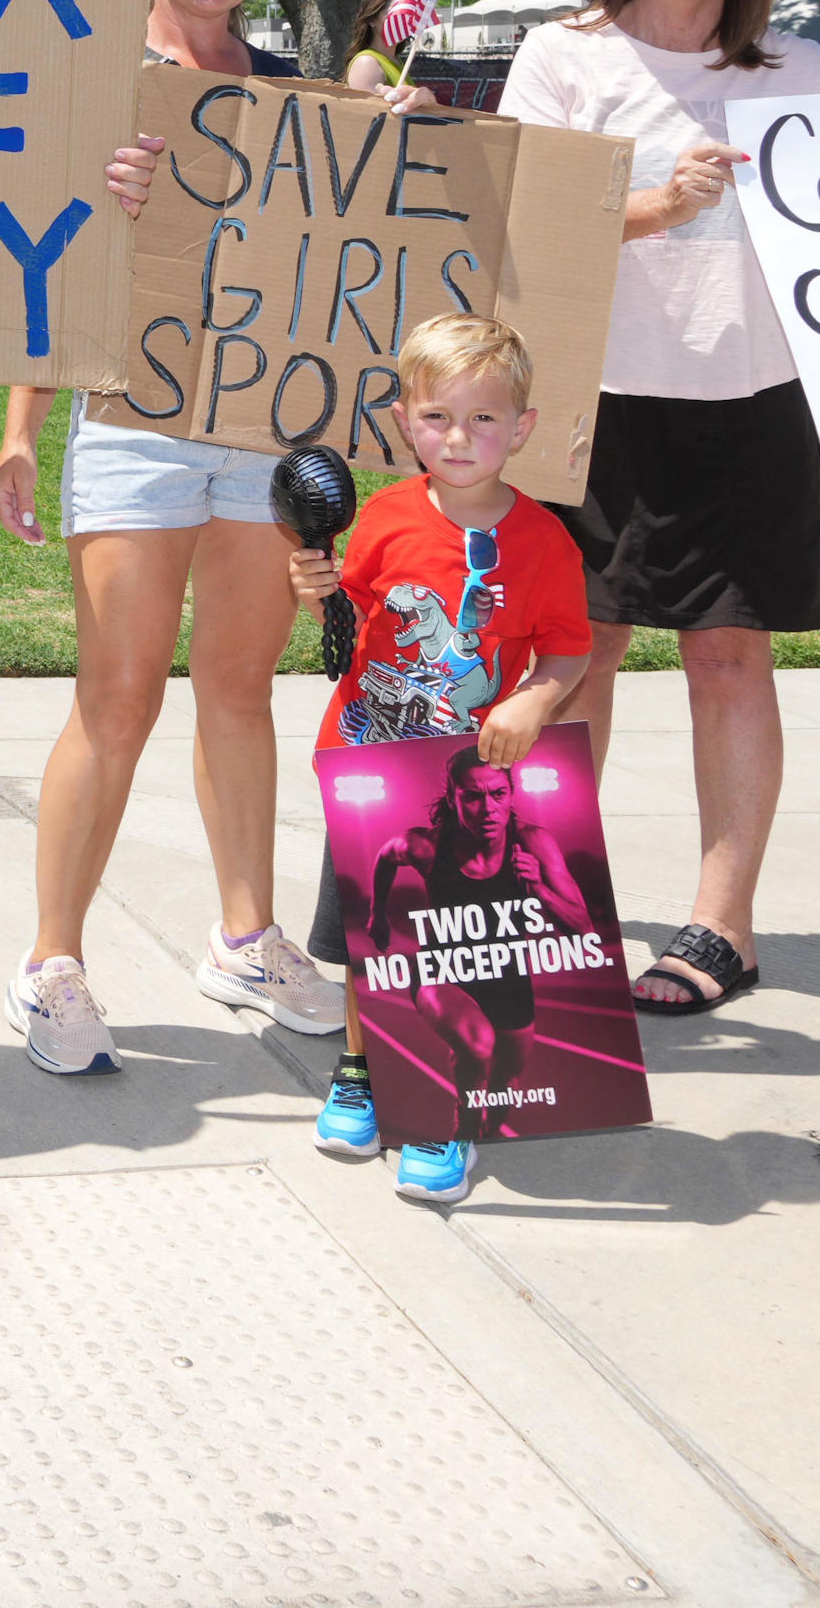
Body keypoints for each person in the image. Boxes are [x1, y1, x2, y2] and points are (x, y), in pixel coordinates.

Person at [0, 0, 420, 1075]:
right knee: (115, 697)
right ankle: (52, 960)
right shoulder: (97, 84)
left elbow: (363, 219)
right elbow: (40, 264)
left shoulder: (295, 96)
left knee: (239, 687)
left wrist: (391, 127)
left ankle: (245, 935)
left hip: (267, 436)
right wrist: (22, 427)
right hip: (132, 423)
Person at [499, 0, 820, 1013]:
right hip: (585, 401)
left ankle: (722, 927)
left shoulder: (808, 76)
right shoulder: (563, 58)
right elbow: (518, 219)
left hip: (748, 398)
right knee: (576, 650)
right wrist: (658, 206)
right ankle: (556, 905)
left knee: (727, 652)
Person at [286, 314, 594, 1207]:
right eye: (436, 419)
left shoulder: (543, 543)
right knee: (366, 942)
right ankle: (358, 1070)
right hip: (373, 766)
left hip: (468, 788)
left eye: (485, 421)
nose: (459, 440)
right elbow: (347, 636)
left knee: (457, 957)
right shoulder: (382, 515)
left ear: (524, 428)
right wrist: (310, 592)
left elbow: (569, 652)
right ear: (404, 419)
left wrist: (535, 698)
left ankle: (444, 1108)